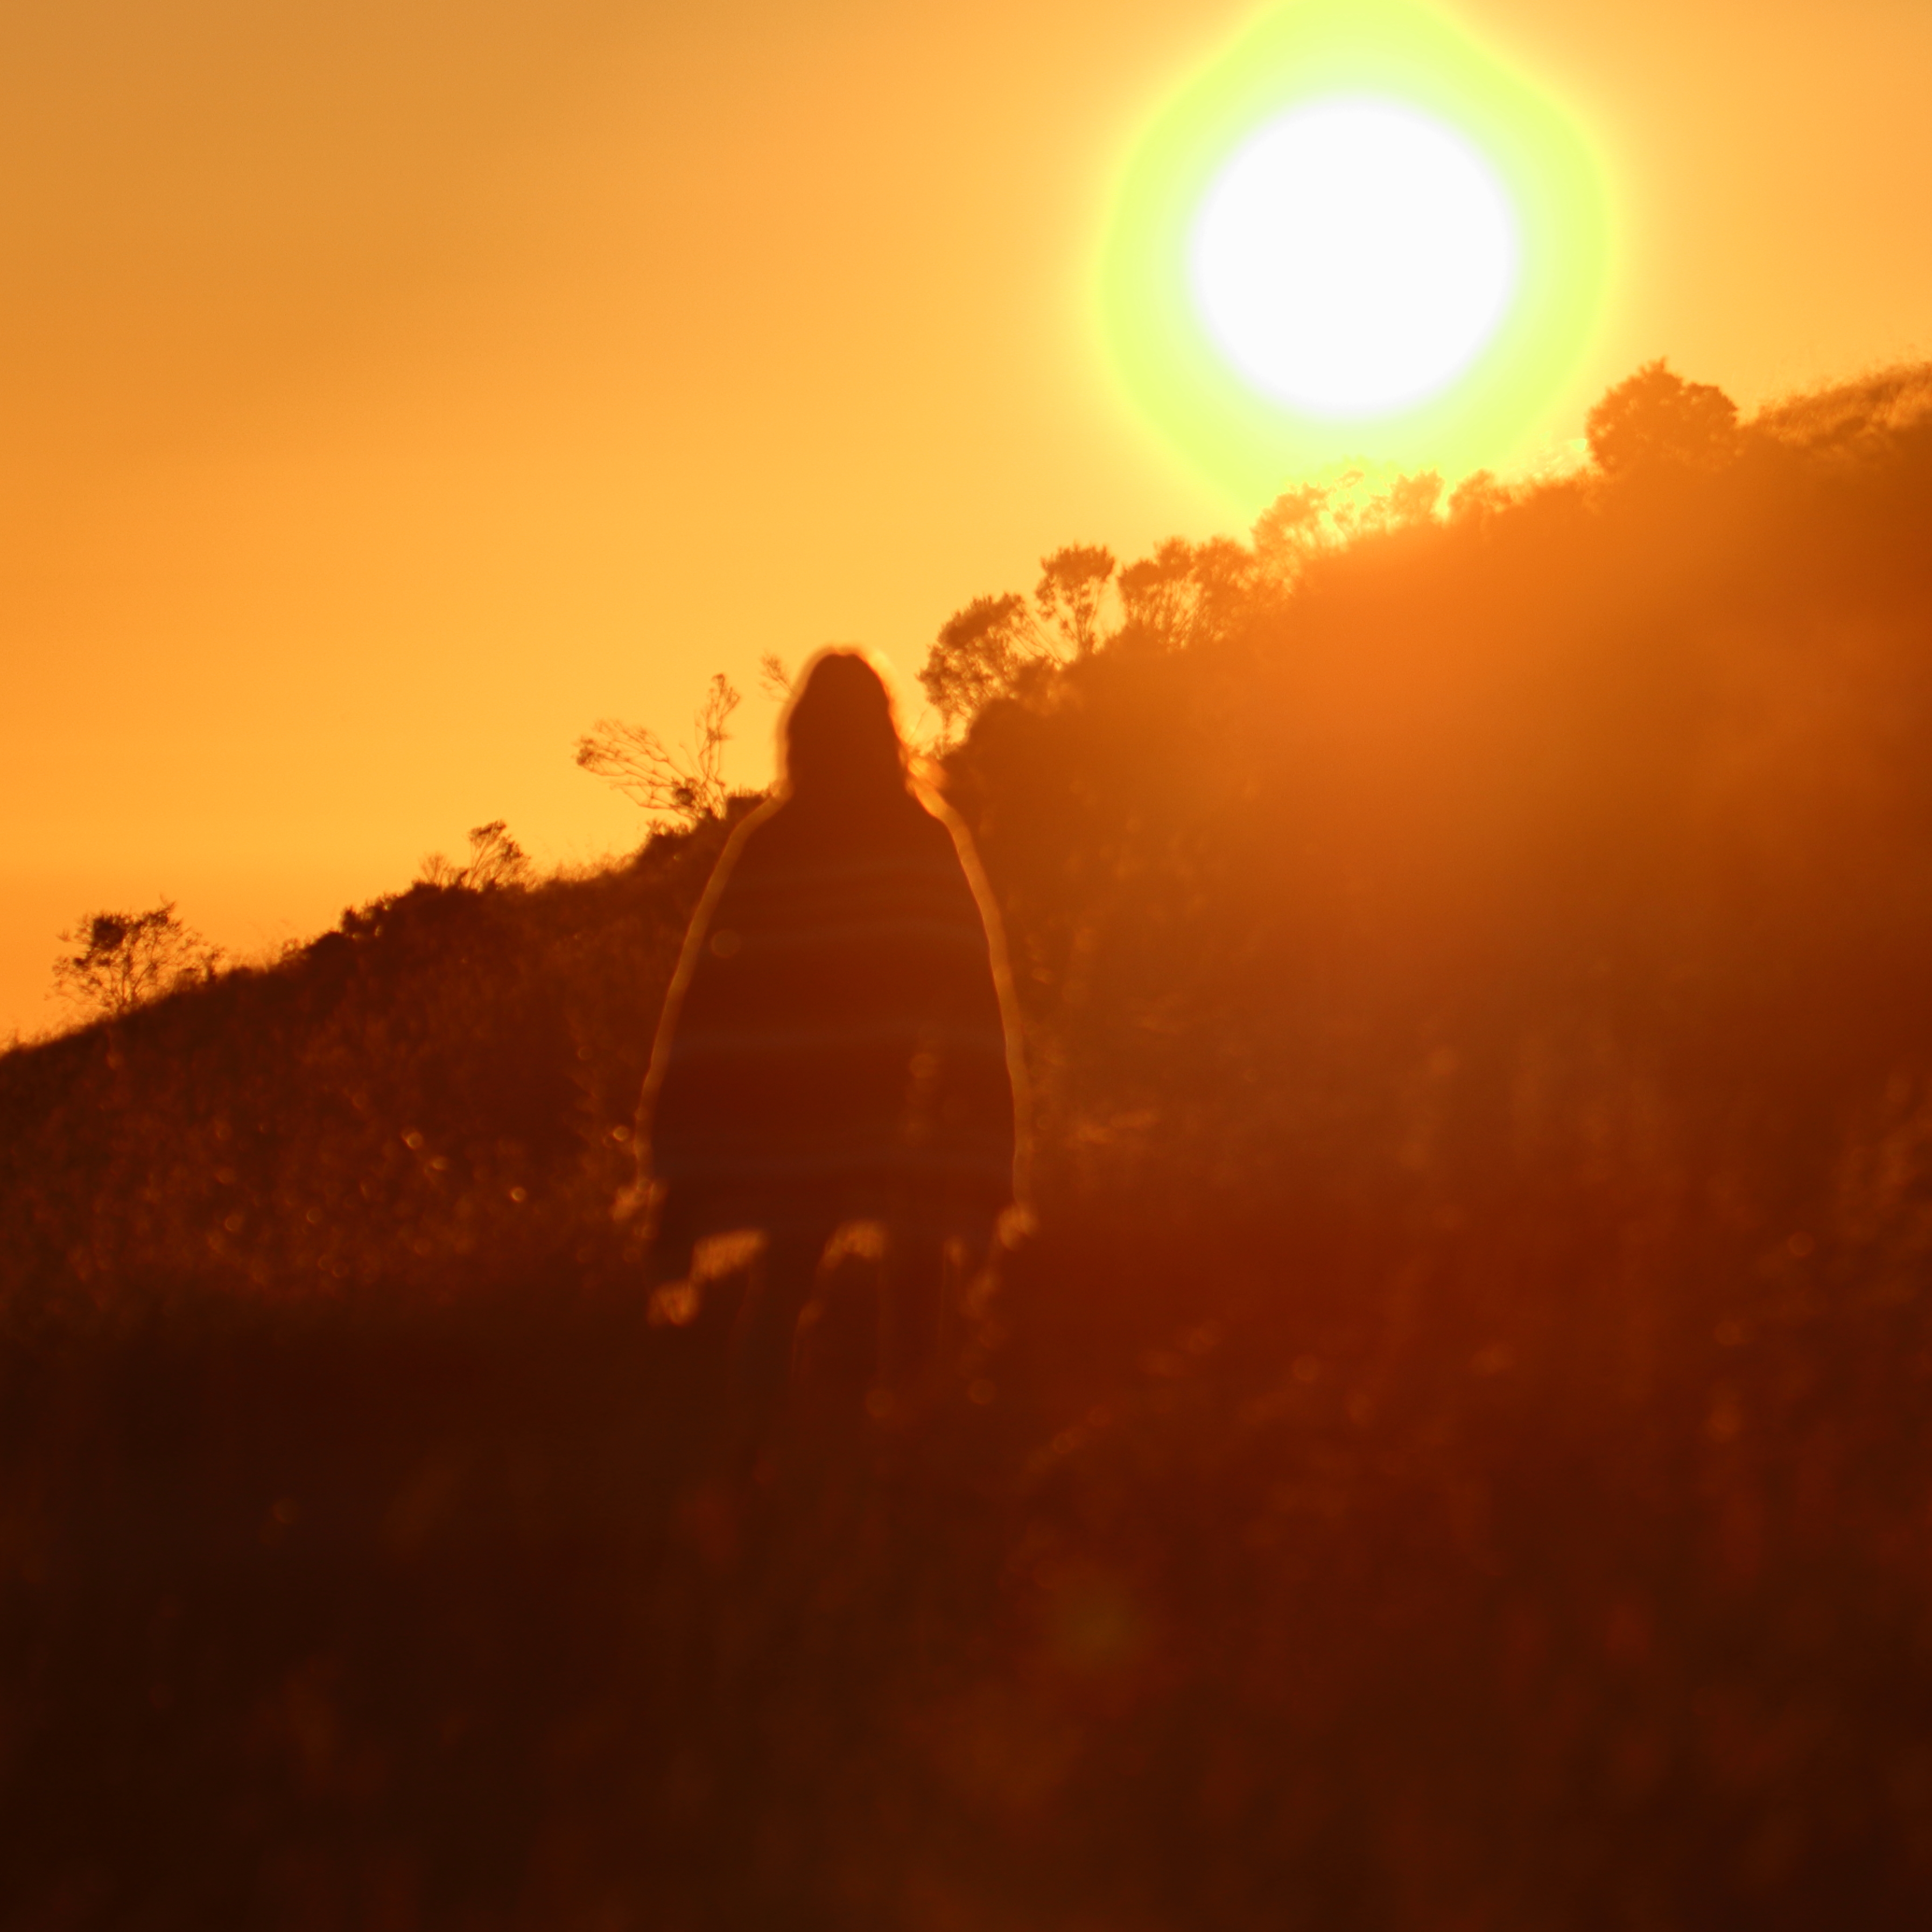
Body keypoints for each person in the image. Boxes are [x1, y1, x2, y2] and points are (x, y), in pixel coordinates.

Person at [636, 648, 1022, 1447]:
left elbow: (708, 1002)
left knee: (785, 1283)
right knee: (916, 1291)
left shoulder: (774, 841)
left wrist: (684, 1155)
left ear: (800, 734)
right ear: (888, 732)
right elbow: (972, 994)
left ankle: (757, 1457)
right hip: (898, 1114)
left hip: (801, 1118)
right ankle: (903, 1463)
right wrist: (979, 1129)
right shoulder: (920, 835)